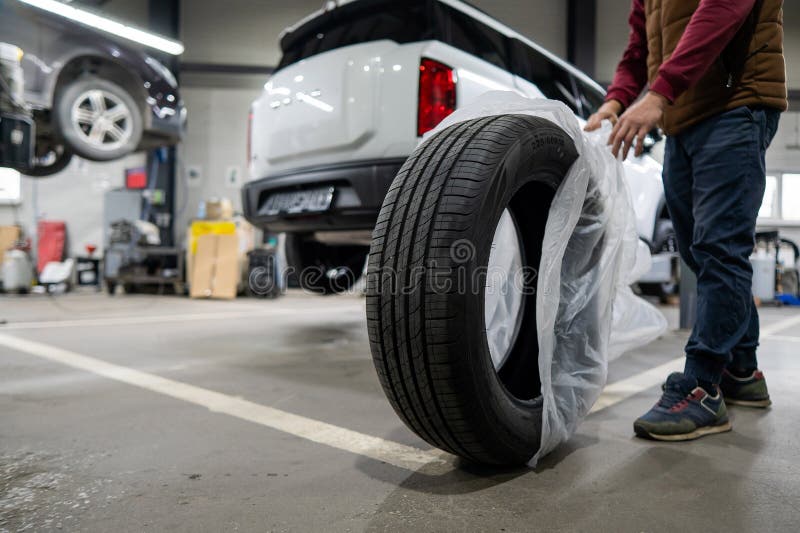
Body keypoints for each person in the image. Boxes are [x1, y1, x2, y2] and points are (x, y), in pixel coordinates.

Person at [585, 0, 787, 441]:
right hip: (681, 115)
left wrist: (658, 94)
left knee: (720, 249)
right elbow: (640, 44)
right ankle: (742, 372)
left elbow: (723, 8)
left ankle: (703, 385)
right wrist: (617, 99)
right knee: (701, 252)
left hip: (735, 103)